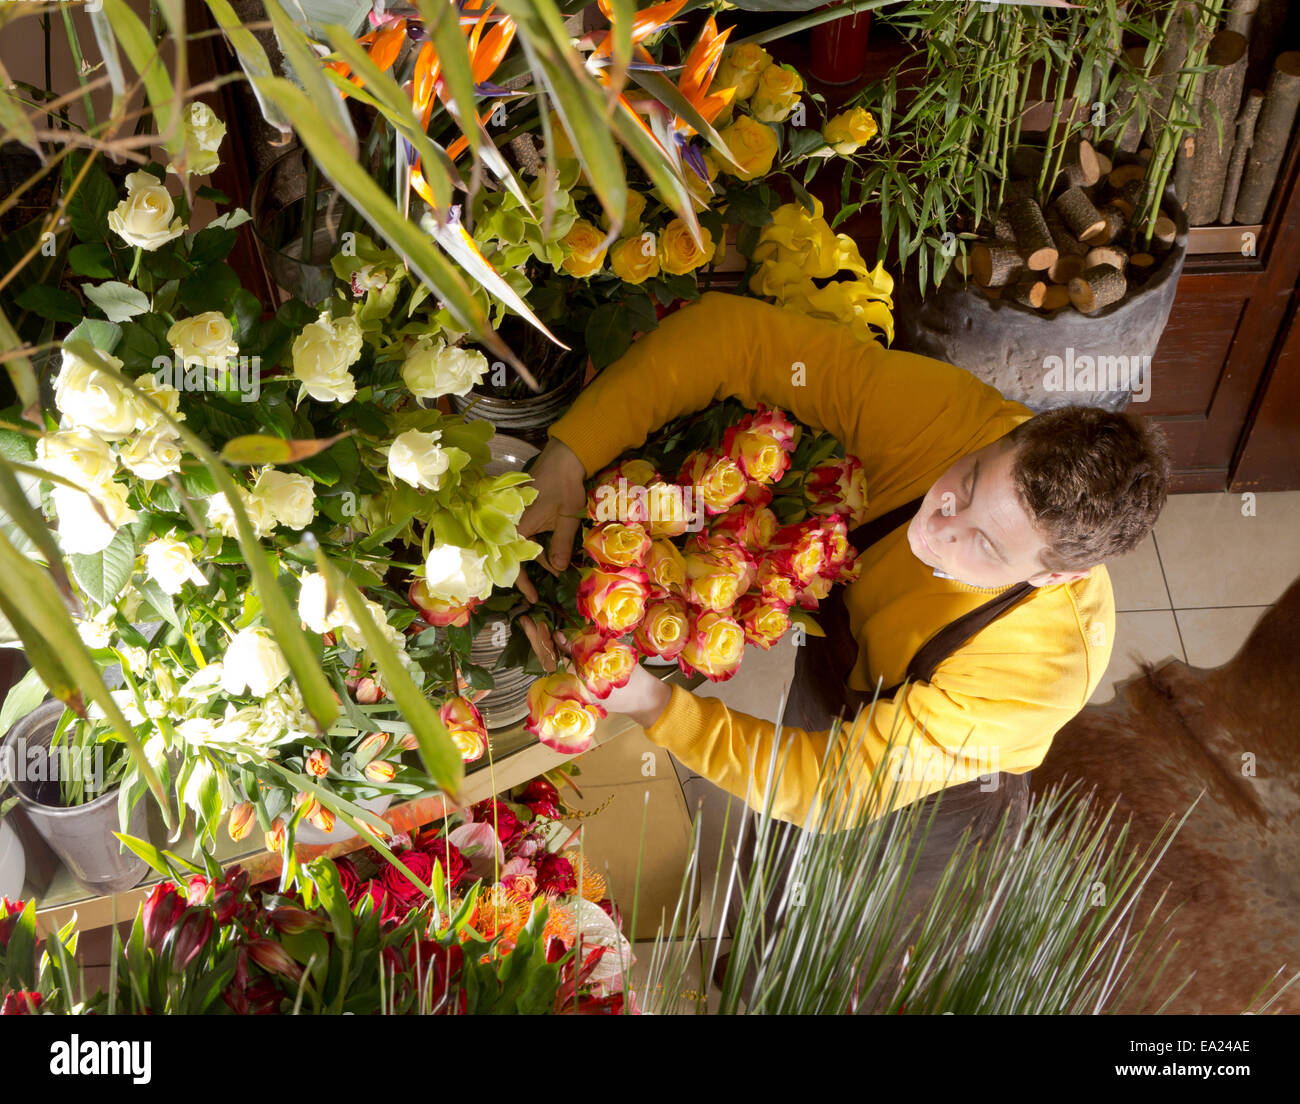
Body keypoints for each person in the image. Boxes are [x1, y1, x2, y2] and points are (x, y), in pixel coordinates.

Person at [516, 291, 1170, 834]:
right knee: (773, 842)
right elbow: (742, 337)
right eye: (967, 482)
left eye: (986, 545)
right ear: (1007, 435)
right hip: (842, 676)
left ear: (1054, 576)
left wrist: (655, 704)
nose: (941, 525)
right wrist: (571, 454)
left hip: (938, 790)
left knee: (853, 945)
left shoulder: (1036, 672)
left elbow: (829, 790)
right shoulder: (950, 418)